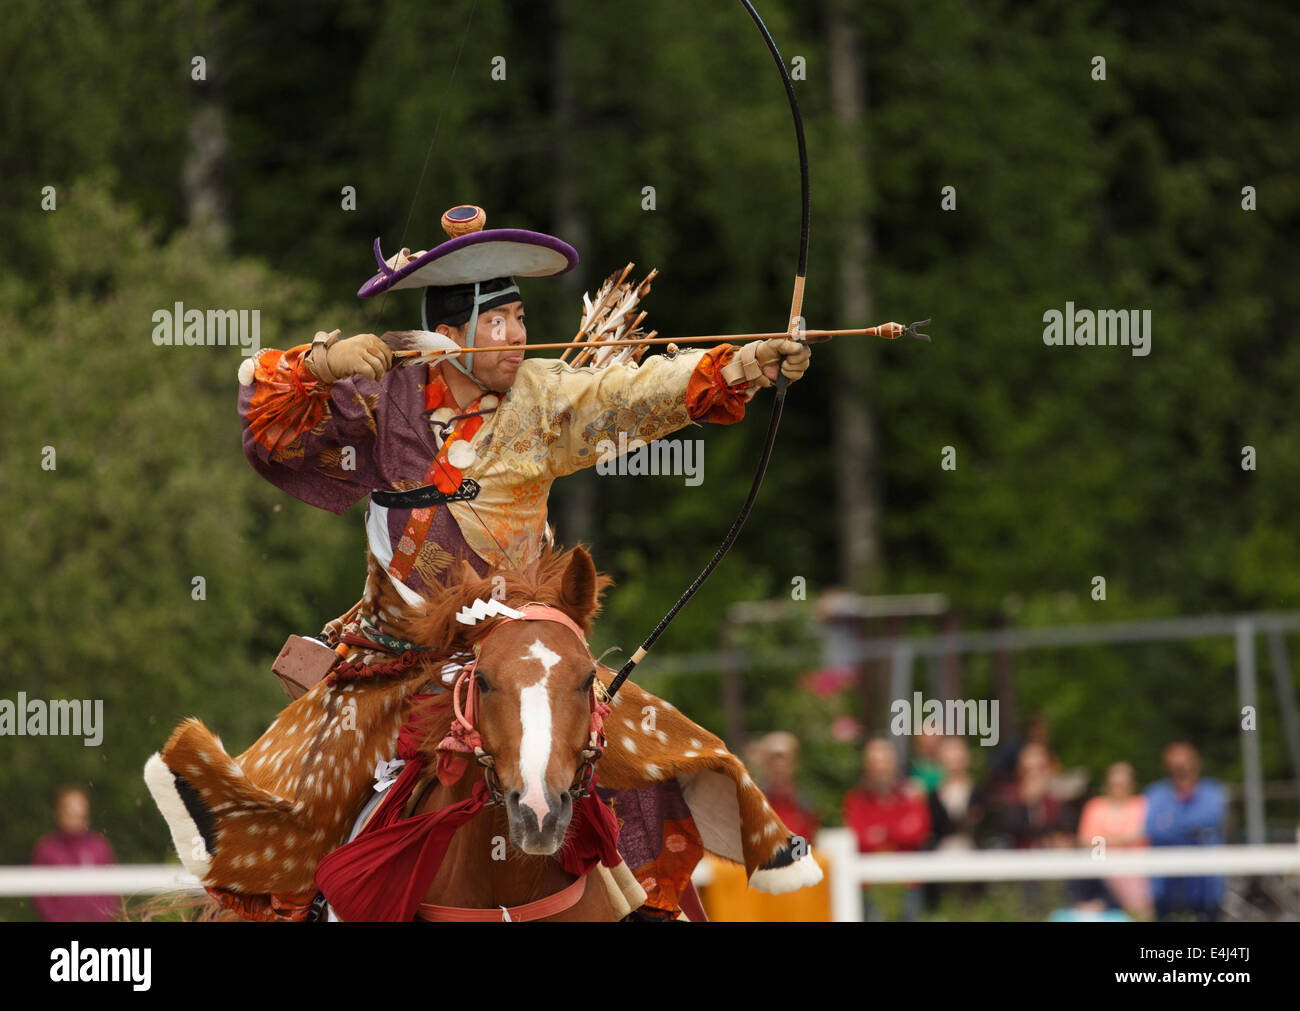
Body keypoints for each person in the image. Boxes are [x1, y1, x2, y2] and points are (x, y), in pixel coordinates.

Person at [220, 205, 813, 919]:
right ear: (449, 337)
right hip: (394, 662)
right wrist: (322, 364)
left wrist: (742, 364)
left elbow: (631, 397)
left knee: (635, 748)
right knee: (287, 808)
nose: (518, 338)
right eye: (498, 325)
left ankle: (651, 891)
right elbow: (266, 417)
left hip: (519, 649)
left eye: (521, 320)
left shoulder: (542, 397)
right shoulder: (382, 403)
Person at [843, 738, 931, 920]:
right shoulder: (856, 800)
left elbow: (919, 833)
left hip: (908, 881)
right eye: (875, 763)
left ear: (895, 764)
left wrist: (882, 833)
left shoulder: (911, 796)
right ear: (867, 766)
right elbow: (859, 839)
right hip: (870, 884)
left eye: (885, 762)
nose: (880, 768)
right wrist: (899, 831)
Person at [1144, 742, 1226, 921]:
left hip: (1206, 885)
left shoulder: (1213, 791)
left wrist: (1170, 824)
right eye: (1175, 766)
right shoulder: (1156, 793)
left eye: (1184, 765)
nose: (1180, 770)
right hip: (1166, 886)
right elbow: (1152, 828)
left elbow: (1209, 820)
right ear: (1167, 767)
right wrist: (1191, 829)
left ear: (1196, 764)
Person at [1075, 761, 1151, 919]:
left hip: (1135, 871)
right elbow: (1086, 841)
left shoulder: (1141, 804)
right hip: (1100, 871)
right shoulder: (1095, 806)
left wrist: (1106, 840)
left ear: (1131, 785)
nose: (1118, 788)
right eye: (1114, 784)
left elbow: (1143, 835)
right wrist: (1123, 840)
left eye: (1123, 784)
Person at [30, 786, 118, 922]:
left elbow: (111, 890)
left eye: (79, 814)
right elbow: (40, 895)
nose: (75, 818)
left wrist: (101, 917)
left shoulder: (100, 847)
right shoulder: (47, 849)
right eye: (70, 813)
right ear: (59, 813)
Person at [748, 731, 819, 844]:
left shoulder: (805, 803)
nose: (779, 764)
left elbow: (810, 842)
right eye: (774, 758)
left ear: (795, 762)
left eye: (784, 757)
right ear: (764, 762)